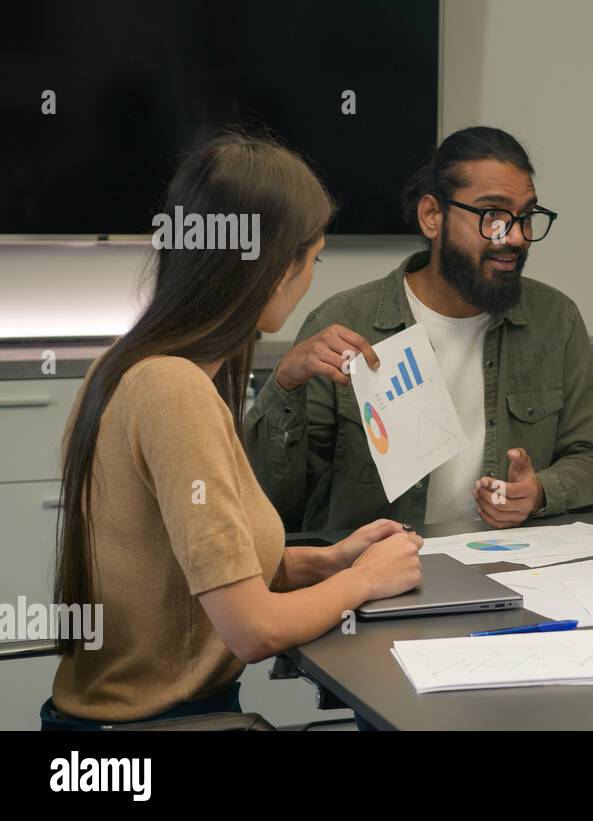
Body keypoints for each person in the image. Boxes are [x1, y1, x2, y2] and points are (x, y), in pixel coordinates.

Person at [44, 131, 423, 729]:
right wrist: (365, 581)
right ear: (274, 268)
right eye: (312, 258)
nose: (309, 280)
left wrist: (331, 561)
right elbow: (252, 629)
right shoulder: (175, 392)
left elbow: (196, 572)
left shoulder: (126, 365)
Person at [245, 126, 593, 531]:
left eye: (526, 216)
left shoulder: (556, 321)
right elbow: (273, 501)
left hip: (511, 566)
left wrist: (541, 491)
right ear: (432, 216)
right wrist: (284, 385)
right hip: (379, 575)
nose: (514, 236)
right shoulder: (346, 324)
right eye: (492, 215)